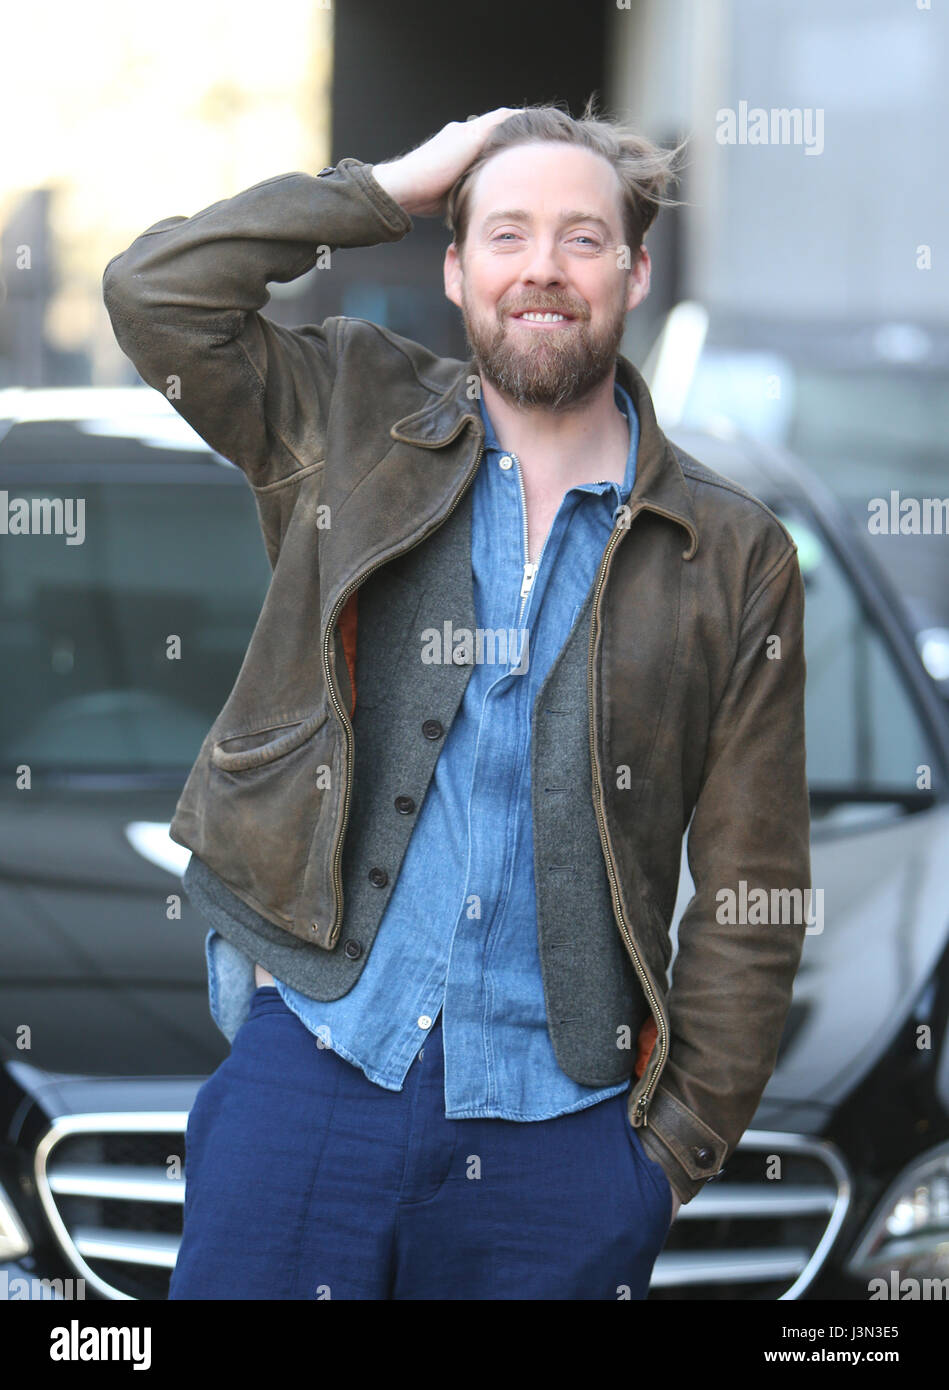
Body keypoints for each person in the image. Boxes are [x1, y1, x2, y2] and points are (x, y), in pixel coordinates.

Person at [102, 100, 810, 1300]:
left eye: (583, 239)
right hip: (316, 1068)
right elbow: (154, 296)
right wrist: (392, 179)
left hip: (565, 1132)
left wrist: (668, 1156)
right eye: (506, 234)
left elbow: (755, 892)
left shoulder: (732, 554)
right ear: (452, 265)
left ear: (635, 273)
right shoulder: (348, 415)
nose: (543, 268)